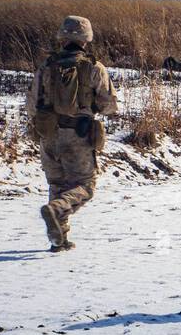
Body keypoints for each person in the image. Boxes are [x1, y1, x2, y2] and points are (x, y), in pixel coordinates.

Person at [26, 15, 118, 252]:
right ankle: (56, 211)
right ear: (87, 39)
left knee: (57, 184)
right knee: (85, 186)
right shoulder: (93, 67)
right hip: (77, 135)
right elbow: (109, 105)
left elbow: (31, 104)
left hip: (48, 134)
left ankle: (59, 239)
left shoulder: (47, 66)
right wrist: (92, 107)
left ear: (62, 37)